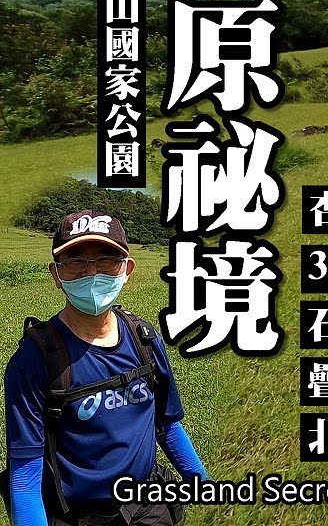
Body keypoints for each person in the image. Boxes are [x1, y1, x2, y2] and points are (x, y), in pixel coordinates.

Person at [4, 210, 208, 525]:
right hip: (79, 516)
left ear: (127, 270)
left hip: (150, 506)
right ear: (56, 275)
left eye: (106, 261)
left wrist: (201, 481)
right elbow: (25, 476)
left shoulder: (144, 339)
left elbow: (166, 424)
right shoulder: (34, 360)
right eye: (75, 262)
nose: (92, 274)